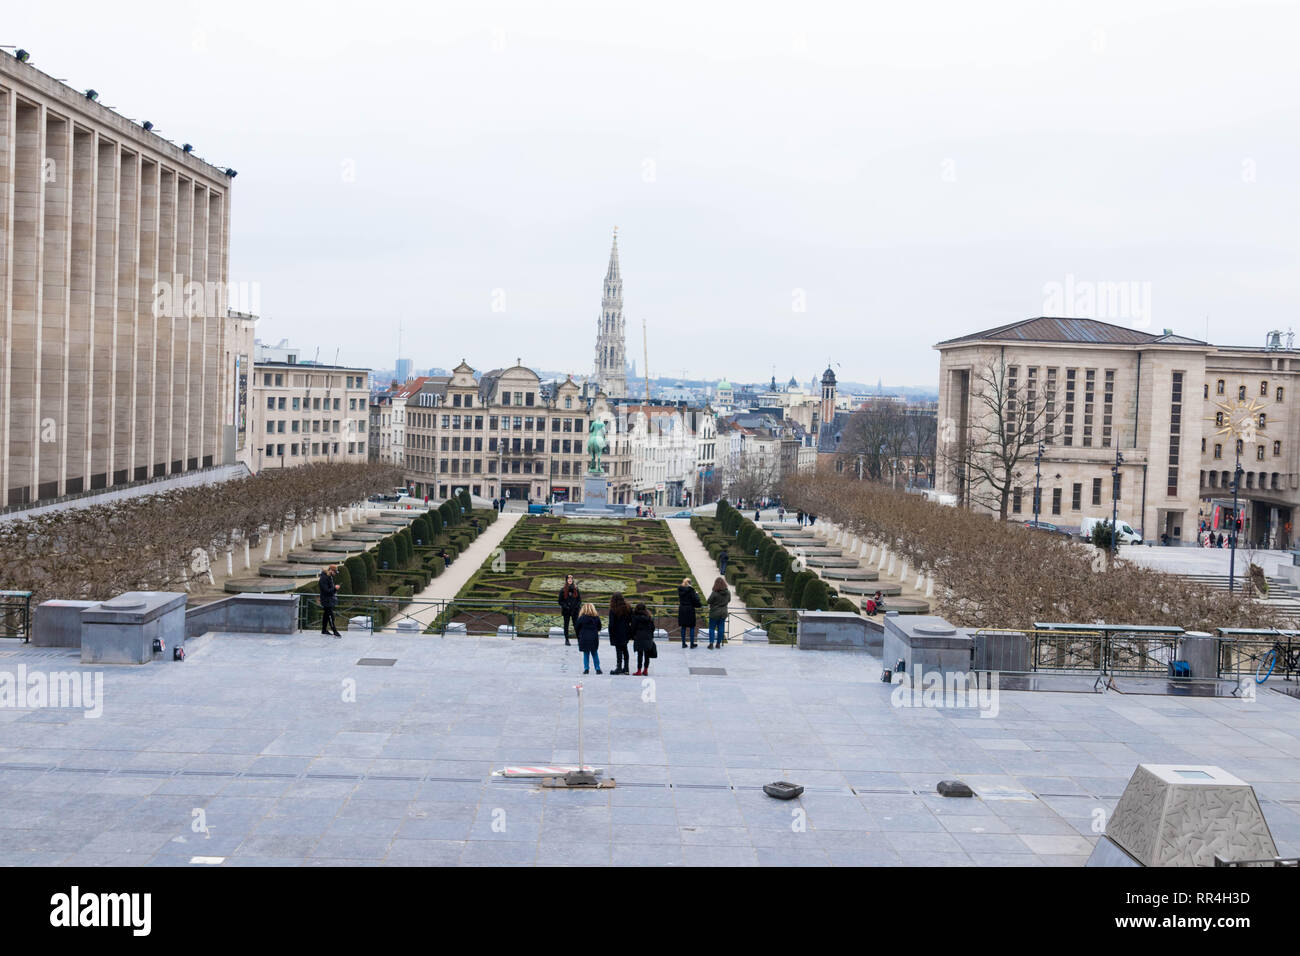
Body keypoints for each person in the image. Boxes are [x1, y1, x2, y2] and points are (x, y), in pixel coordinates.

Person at [575, 602, 603, 674]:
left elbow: (577, 628)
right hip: (594, 638)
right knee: (594, 653)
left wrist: (579, 636)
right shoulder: (596, 618)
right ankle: (598, 668)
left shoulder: (581, 618)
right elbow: (599, 627)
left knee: (586, 654)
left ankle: (586, 669)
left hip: (584, 638)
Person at [608, 592, 632, 674]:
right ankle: (626, 668)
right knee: (625, 649)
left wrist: (611, 633)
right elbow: (631, 620)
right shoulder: (628, 607)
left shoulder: (613, 609)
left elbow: (611, 624)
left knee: (618, 650)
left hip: (616, 632)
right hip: (626, 631)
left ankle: (619, 667)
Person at [631, 603, 656, 675]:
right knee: (647, 655)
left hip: (639, 638)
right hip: (648, 638)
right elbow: (653, 628)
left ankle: (639, 671)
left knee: (640, 654)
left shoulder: (635, 617)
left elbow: (633, 628)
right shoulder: (649, 617)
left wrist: (633, 636)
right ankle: (645, 670)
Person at [677, 577, 702, 648]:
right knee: (692, 627)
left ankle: (683, 643)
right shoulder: (691, 590)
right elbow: (695, 600)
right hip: (690, 609)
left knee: (683, 627)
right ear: (690, 583)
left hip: (682, 609)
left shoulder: (680, 589)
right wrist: (696, 594)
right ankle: (691, 644)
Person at [557, 575, 582, 645]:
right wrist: (566, 606)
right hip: (566, 611)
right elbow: (560, 601)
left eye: (571, 579)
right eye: (568, 579)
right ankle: (567, 640)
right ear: (566, 580)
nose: (570, 580)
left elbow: (579, 600)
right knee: (566, 625)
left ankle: (579, 639)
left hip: (575, 611)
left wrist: (576, 607)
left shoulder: (576, 589)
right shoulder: (563, 590)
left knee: (576, 625)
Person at [318, 565, 342, 638]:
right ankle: (335, 631)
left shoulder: (329, 577)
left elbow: (329, 590)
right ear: (331, 570)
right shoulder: (324, 578)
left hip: (328, 599)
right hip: (326, 600)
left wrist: (334, 589)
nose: (335, 574)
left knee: (326, 615)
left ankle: (324, 630)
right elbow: (326, 591)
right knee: (330, 616)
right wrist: (335, 588)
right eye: (335, 572)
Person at [706, 576, 730, 648]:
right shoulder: (728, 592)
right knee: (721, 628)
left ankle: (711, 644)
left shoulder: (714, 593)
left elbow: (709, 601)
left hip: (714, 612)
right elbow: (729, 600)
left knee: (712, 628)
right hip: (723, 612)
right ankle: (718, 644)